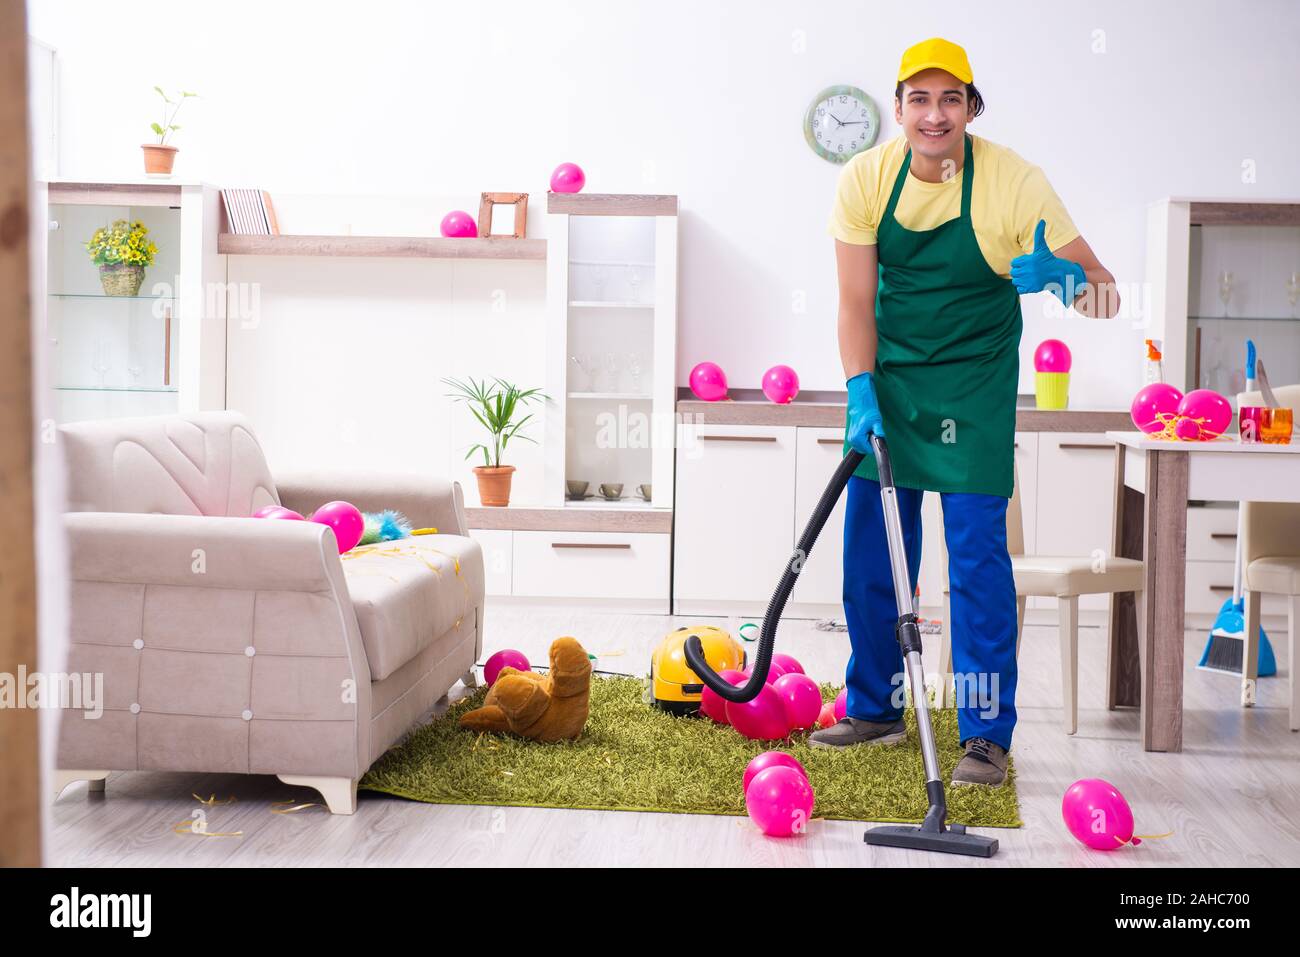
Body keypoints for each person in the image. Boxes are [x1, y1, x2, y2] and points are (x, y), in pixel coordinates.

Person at [808, 37, 1119, 787]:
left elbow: (1108, 297)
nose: (934, 114)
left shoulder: (1015, 183)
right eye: (920, 98)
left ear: (971, 109)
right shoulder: (865, 179)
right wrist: (859, 387)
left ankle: (985, 736)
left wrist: (1065, 280)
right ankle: (876, 706)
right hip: (892, 386)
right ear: (899, 108)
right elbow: (855, 302)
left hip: (975, 395)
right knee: (874, 552)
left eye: (951, 99)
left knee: (977, 564)